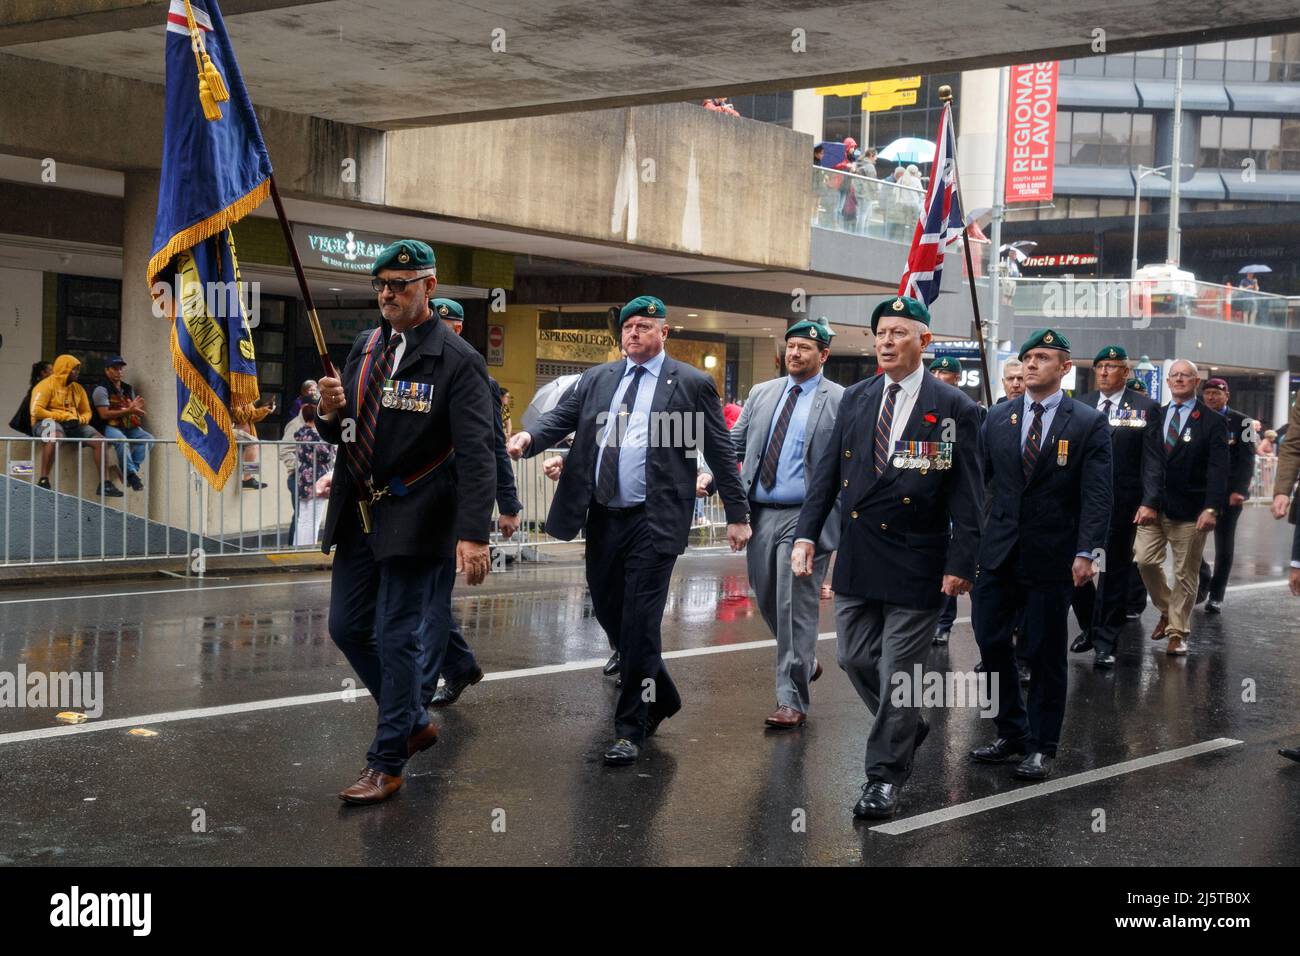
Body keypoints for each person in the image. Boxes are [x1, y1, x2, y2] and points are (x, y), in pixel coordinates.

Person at [507, 295, 751, 766]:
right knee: (607, 608)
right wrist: (530, 437)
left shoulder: (691, 383)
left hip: (653, 518)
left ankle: (630, 727)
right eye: (627, 327)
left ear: (664, 332)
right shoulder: (600, 378)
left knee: (640, 622)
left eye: (643, 326)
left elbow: (720, 449)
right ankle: (665, 696)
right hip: (604, 514)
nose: (633, 333)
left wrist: (737, 515)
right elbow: (564, 417)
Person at [314, 239, 497, 805]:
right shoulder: (366, 346)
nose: (388, 295)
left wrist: (474, 534)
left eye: (400, 285)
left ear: (429, 287)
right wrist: (329, 412)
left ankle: (387, 761)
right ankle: (414, 720)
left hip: (420, 514)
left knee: (397, 637)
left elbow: (478, 452)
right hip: (360, 512)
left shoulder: (457, 360)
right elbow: (345, 433)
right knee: (347, 627)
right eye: (382, 286)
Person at [794, 295, 982, 819]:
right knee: (853, 657)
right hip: (859, 553)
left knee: (900, 671)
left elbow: (968, 495)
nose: (886, 342)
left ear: (925, 341)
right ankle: (906, 723)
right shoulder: (856, 397)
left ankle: (883, 777)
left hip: (917, 556)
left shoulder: (953, 408)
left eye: (899, 333)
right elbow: (826, 476)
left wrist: (962, 562)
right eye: (880, 333)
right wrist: (807, 536)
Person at [970, 328, 1112, 781]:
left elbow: (1097, 494)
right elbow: (980, 483)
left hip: (1053, 555)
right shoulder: (998, 416)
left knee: (1045, 651)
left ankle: (1040, 745)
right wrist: (973, 540)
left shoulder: (1087, 422)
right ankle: (1011, 729)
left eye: (1042, 357)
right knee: (990, 640)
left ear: (1065, 367)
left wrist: (1087, 551)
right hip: (999, 552)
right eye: (1027, 357)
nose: (1031, 364)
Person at [716, 317, 843, 729]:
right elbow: (734, 444)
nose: (795, 353)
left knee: (793, 605)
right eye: (791, 346)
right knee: (768, 595)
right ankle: (805, 659)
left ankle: (791, 700)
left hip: (807, 516)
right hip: (761, 511)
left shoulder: (840, 399)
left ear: (823, 355)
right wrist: (708, 475)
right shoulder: (763, 393)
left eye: (804, 348)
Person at [422, 297, 523, 709]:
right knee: (415, 597)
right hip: (411, 502)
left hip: (452, 502)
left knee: (430, 599)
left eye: (443, 323)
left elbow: (493, 448)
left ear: (458, 328)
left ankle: (418, 693)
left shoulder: (475, 376)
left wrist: (508, 505)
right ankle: (460, 664)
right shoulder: (414, 369)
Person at [1068, 346, 1163, 668]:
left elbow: (1153, 460)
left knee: (1112, 572)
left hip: (1121, 504)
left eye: (1112, 366)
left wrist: (1149, 501)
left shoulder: (1145, 408)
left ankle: (1106, 641)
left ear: (1126, 371)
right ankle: (1090, 627)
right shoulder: (1080, 404)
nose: (1105, 371)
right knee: (1074, 568)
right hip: (1079, 503)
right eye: (1100, 366)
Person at [1133, 360, 1229, 656]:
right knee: (1144, 560)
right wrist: (1145, 500)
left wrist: (1211, 508)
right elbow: (1148, 461)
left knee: (1186, 574)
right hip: (1153, 506)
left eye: (1185, 376)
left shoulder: (1212, 421)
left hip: (1191, 510)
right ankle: (1167, 609)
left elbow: (1218, 469)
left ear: (1196, 381)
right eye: (1174, 375)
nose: (1178, 379)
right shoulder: (1157, 415)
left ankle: (1177, 633)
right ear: (1168, 381)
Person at [1196, 378, 1256, 612]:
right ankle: (1204, 576)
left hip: (1228, 492)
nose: (1211, 397)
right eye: (1208, 393)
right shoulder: (1196, 417)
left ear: (1226, 396)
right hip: (1199, 490)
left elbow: (1248, 459)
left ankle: (1216, 595)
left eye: (1216, 393)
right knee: (1188, 541)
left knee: (1224, 545)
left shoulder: (1244, 423)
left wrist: (1240, 490)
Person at [30, 354, 122, 497]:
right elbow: (36, 411)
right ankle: (43, 480)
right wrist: (63, 416)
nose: (77, 372)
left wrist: (80, 419)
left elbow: (87, 412)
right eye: (74, 369)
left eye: (78, 369)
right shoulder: (45, 385)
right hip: (45, 421)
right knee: (55, 435)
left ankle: (105, 484)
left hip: (72, 423)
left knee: (101, 441)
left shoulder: (78, 388)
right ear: (65, 369)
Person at [927, 355, 963, 646]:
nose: (939, 376)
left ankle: (944, 622)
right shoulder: (922, 407)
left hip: (956, 495)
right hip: (928, 491)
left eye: (945, 373)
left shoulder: (966, 409)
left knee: (952, 561)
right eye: (935, 372)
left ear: (957, 379)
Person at [92, 356, 152, 492]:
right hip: (107, 426)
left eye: (120, 368)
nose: (119, 371)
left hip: (127, 425)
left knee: (148, 439)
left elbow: (131, 409)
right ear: (107, 370)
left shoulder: (127, 388)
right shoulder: (101, 389)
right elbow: (104, 415)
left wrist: (136, 411)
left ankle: (129, 472)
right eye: (115, 368)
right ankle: (131, 475)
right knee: (121, 440)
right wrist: (129, 410)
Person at [292, 404, 333, 547]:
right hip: (317, 476)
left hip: (303, 475)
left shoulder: (300, 433)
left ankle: (298, 546)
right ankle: (309, 547)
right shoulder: (316, 435)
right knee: (314, 518)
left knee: (303, 517)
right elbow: (327, 456)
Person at [232, 398, 274, 489]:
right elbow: (241, 417)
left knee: (254, 443)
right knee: (254, 442)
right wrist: (262, 410)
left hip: (245, 434)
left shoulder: (247, 400)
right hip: (231, 430)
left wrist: (265, 410)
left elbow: (254, 417)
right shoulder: (234, 398)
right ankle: (247, 479)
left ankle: (249, 478)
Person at [9, 361, 51, 437]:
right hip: (36, 423)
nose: (54, 373)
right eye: (50, 370)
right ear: (43, 373)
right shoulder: (40, 388)